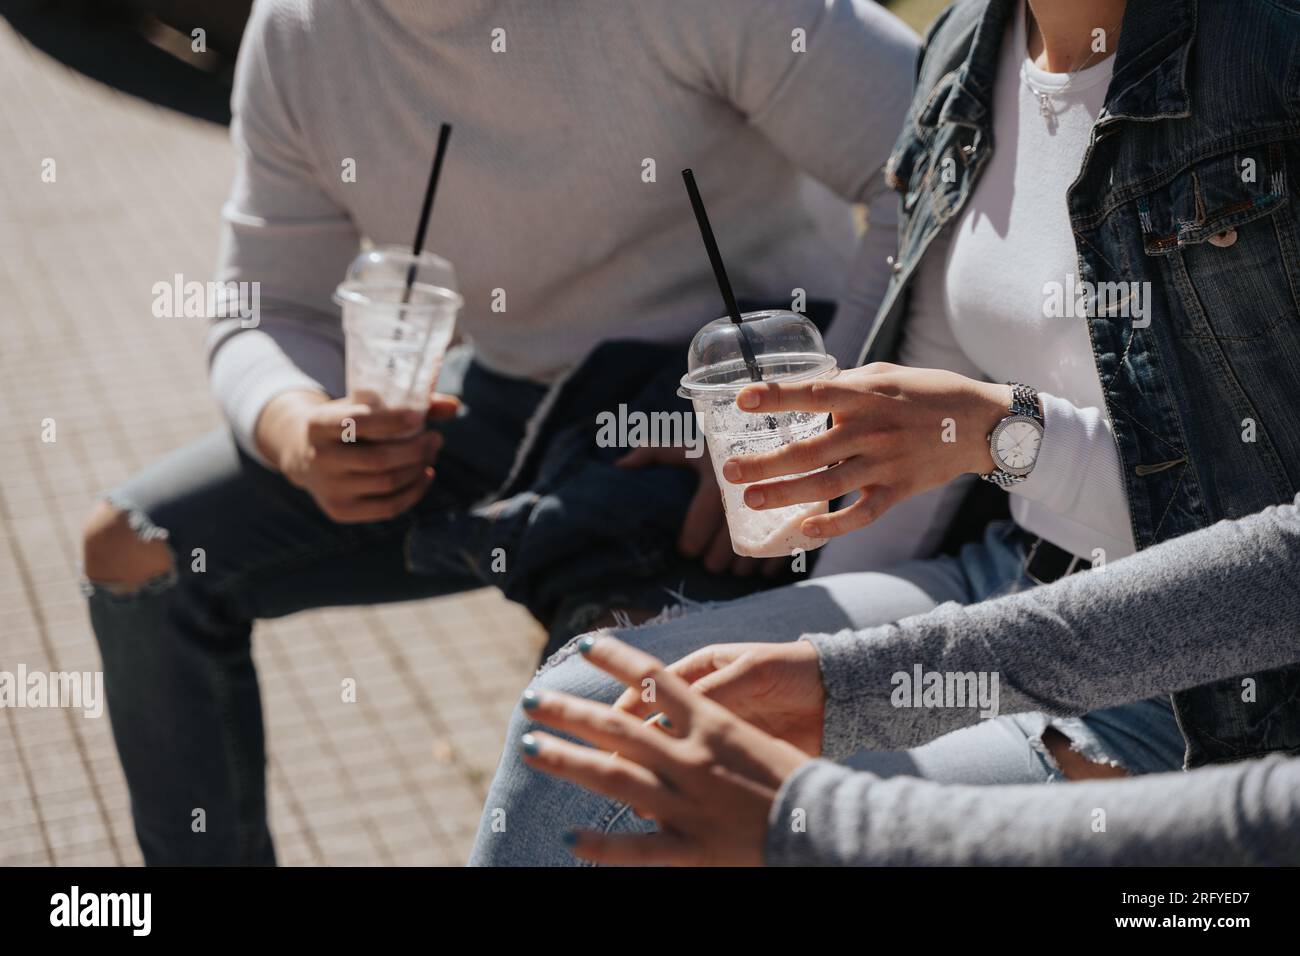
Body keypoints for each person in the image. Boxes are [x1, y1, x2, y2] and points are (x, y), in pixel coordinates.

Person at [79, 0, 919, 865]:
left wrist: (798, 418)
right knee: (134, 551)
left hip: (712, 425)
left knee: (605, 714)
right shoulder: (298, 31)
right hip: (506, 398)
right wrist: (296, 427)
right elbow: (269, 305)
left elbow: (936, 160)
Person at [472, 0, 1300, 864]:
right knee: (590, 712)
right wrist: (810, 634)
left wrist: (1004, 435)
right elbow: (928, 382)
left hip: (1206, 691)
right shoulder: (964, 47)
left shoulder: (1271, 58)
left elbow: (1274, 550)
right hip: (1004, 581)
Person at [517, 491, 1300, 865]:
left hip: (1196, 710)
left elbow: (1264, 825)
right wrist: (846, 678)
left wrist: (830, 823)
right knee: (576, 706)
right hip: (1015, 564)